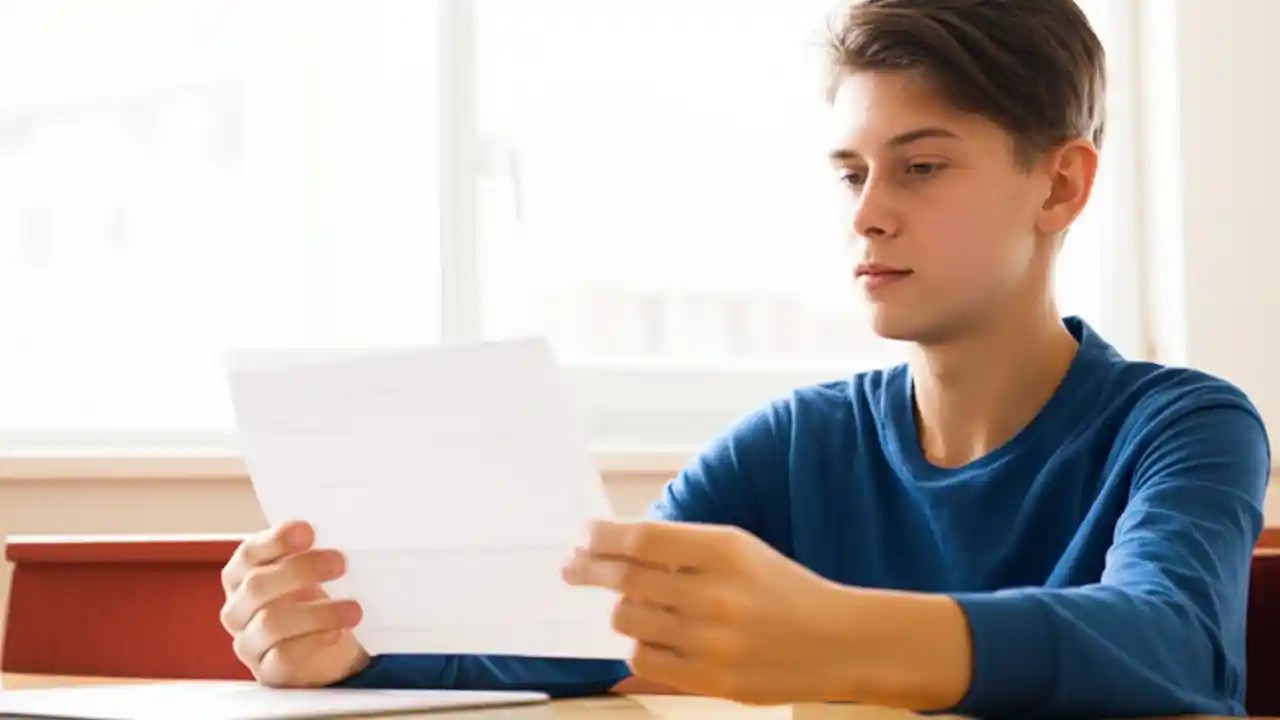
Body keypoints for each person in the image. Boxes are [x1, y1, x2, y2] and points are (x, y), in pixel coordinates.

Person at [219, 0, 1271, 716]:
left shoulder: (1182, 425)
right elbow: (581, 637)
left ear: (1059, 187)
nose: (866, 214)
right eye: (850, 170)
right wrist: (349, 650)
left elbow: (1166, 643)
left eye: (920, 167)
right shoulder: (793, 443)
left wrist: (824, 632)